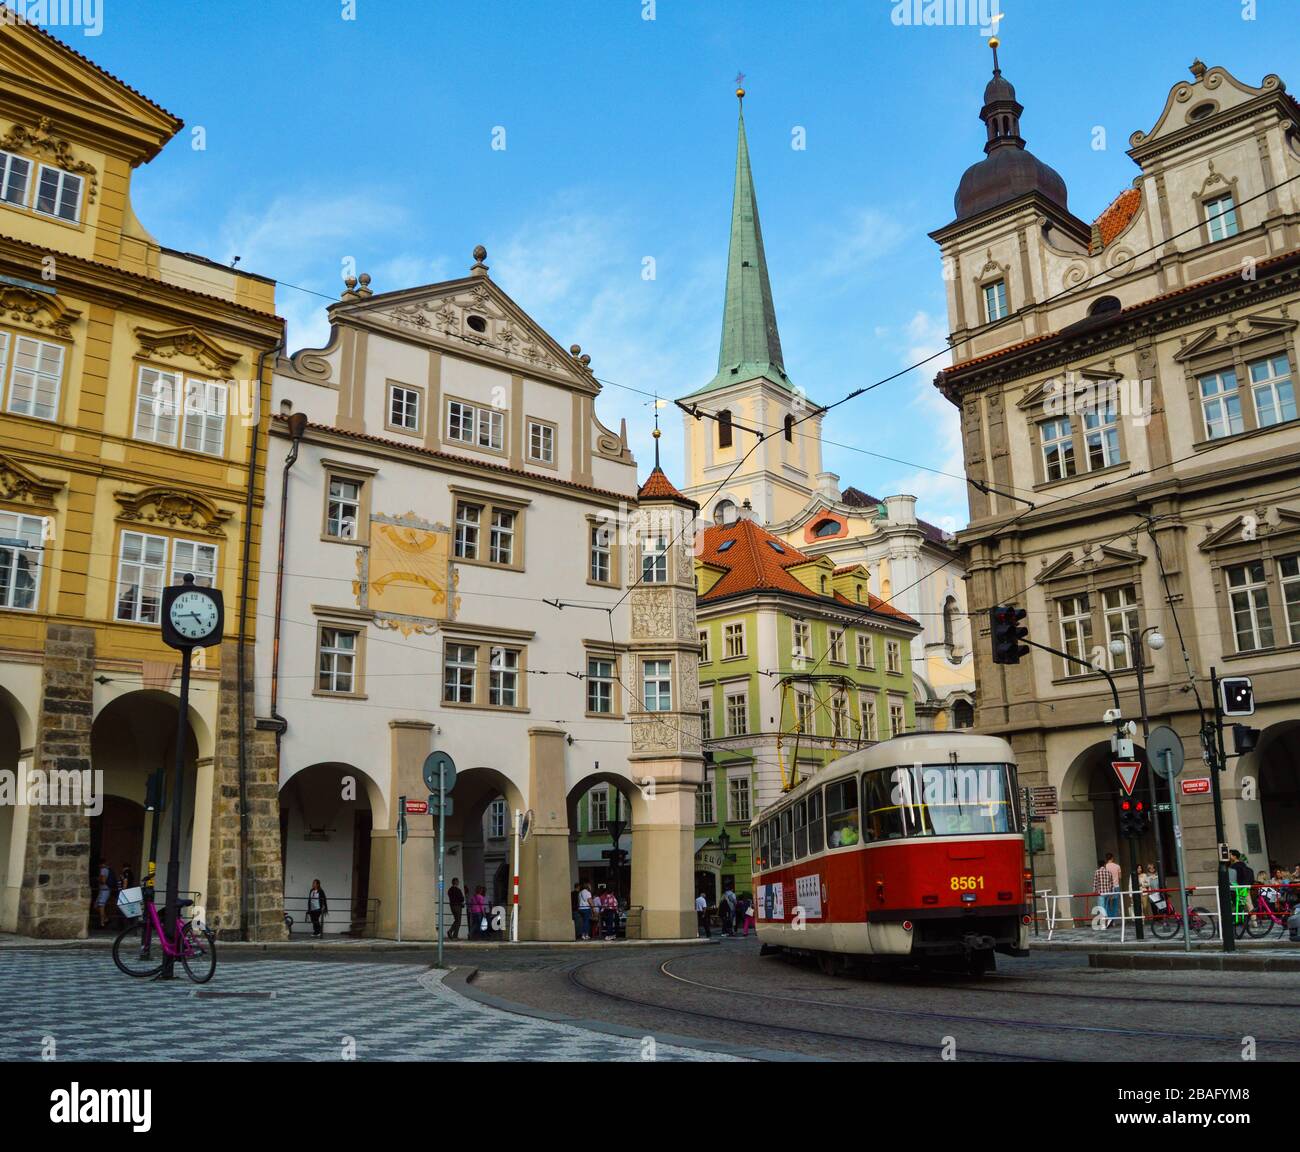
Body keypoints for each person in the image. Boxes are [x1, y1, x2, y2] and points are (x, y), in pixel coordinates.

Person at [1092, 858, 1115, 928]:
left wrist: (1094, 891)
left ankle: (1103, 924)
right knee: (1105, 907)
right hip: (1108, 892)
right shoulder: (1108, 872)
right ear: (1104, 865)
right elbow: (1111, 884)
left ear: (1099, 865)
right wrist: (1112, 893)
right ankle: (1106, 921)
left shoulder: (1097, 872)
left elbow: (1095, 883)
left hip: (1101, 893)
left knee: (1101, 908)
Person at [94, 859, 115, 929]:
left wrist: (98, 879)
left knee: (101, 906)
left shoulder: (103, 870)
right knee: (96, 906)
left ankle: (102, 923)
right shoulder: (107, 869)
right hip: (104, 889)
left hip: (104, 889)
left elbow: (103, 881)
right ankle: (106, 919)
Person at [1103, 852, 1122, 923]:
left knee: (1107, 903)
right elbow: (1120, 877)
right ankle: (1112, 919)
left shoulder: (1105, 866)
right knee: (1115, 903)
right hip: (1116, 886)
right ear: (1112, 858)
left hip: (1107, 887)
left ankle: (1109, 917)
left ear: (1106, 859)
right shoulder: (1117, 866)